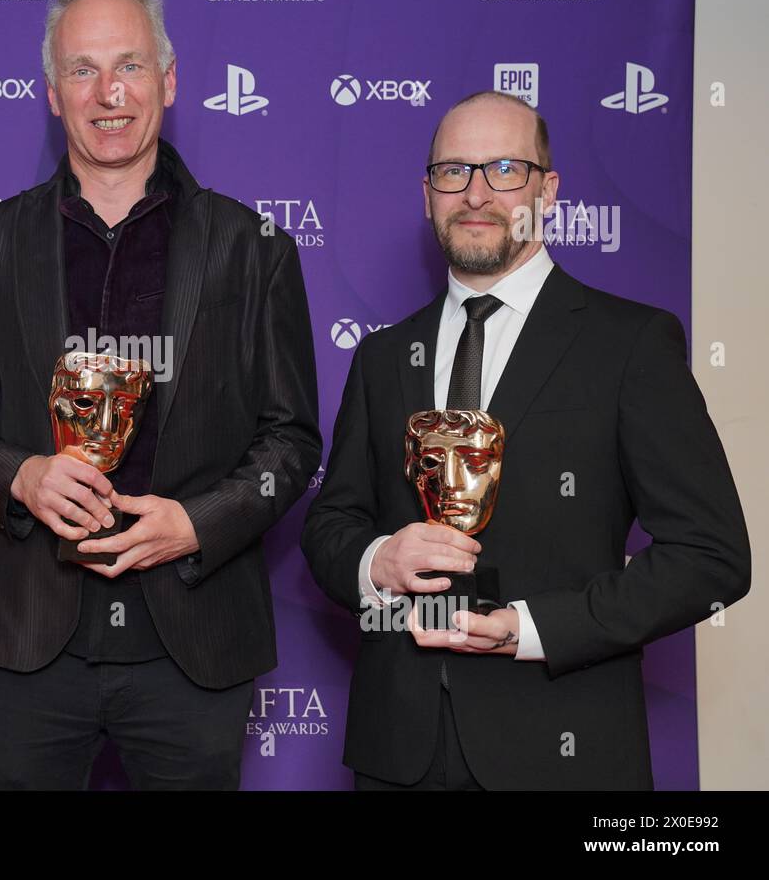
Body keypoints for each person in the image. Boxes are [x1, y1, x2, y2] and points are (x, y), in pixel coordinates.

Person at [0, 0, 321, 790]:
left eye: (131, 66)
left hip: (193, 639)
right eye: (83, 69)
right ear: (52, 93)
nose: (110, 93)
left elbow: (291, 439)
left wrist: (198, 523)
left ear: (168, 82)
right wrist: (23, 475)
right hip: (31, 637)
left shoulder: (255, 247)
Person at [302, 91, 752, 790]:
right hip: (398, 755)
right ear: (428, 195)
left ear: (549, 190)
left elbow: (712, 556)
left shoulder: (629, 344)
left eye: (505, 169)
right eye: (453, 171)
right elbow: (331, 524)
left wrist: (533, 628)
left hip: (563, 750)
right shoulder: (385, 356)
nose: (476, 192)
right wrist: (377, 561)